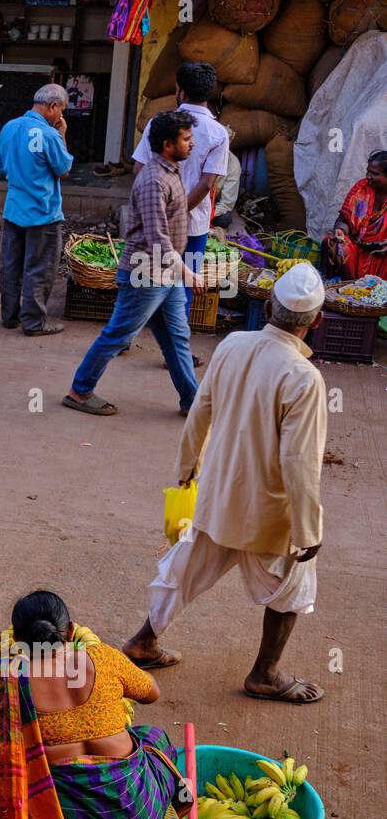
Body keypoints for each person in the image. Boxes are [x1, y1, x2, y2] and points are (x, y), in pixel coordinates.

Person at [124, 264, 328, 705]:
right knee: (292, 590)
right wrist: (309, 531)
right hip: (267, 515)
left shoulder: (233, 344)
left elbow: (201, 410)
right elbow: (299, 463)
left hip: (217, 497)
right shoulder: (303, 377)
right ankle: (265, 673)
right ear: (316, 322)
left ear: (268, 306)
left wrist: (186, 467)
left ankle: (143, 642)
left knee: (184, 573)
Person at [0, 591, 184, 819]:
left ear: (17, 641)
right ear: (71, 631)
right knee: (154, 736)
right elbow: (152, 693)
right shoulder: (104, 657)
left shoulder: (4, 681)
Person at [63, 110, 200, 417]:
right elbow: (156, 236)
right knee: (119, 335)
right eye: (186, 139)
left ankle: (192, 401)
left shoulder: (171, 171)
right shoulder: (153, 180)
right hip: (145, 273)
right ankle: (79, 391)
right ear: (168, 144)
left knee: (177, 337)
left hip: (166, 273)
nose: (192, 145)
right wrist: (187, 270)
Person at [132, 63, 228, 366]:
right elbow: (206, 183)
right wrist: (178, 214)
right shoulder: (218, 133)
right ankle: (177, 353)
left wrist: (156, 210)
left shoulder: (158, 123)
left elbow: (139, 169)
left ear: (179, 90)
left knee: (143, 277)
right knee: (183, 286)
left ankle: (123, 338)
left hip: (152, 219)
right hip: (194, 225)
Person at [0, 84, 74, 336]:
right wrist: (62, 135)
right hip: (43, 212)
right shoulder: (48, 135)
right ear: (52, 106)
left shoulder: (9, 128)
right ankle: (34, 322)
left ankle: (10, 317)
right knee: (39, 268)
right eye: (62, 110)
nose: (61, 116)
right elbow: (63, 170)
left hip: (14, 209)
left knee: (11, 265)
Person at [321, 151, 387, 281]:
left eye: (374, 174)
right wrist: (340, 232)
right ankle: (346, 289)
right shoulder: (361, 188)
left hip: (381, 254)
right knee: (331, 242)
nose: (368, 176)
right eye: (368, 171)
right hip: (357, 248)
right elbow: (344, 219)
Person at [212, 126, 242, 229]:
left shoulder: (234, 165)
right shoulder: (200, 153)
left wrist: (209, 215)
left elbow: (226, 203)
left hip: (212, 203)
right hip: (193, 198)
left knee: (225, 219)